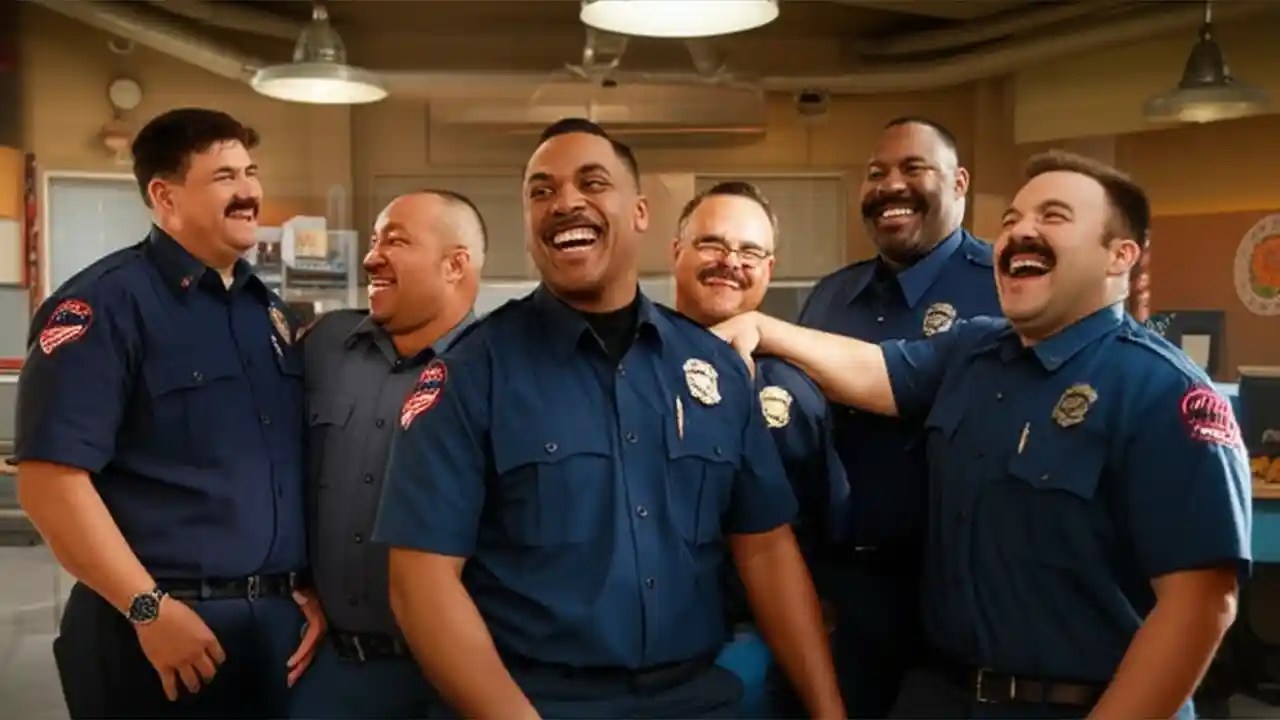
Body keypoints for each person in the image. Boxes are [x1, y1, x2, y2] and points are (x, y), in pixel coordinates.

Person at [712, 149, 1251, 719]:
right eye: (1012, 220)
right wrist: (759, 325)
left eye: (1054, 217)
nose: (1020, 233)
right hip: (941, 694)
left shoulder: (1162, 391)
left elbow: (1201, 604)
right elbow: (873, 371)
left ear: (1120, 256)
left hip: (1078, 704)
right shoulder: (974, 351)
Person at [371, 118, 844, 720]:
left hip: (696, 697)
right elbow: (421, 585)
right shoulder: (469, 374)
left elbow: (767, 553)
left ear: (641, 212)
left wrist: (829, 712)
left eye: (592, 183)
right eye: (541, 191)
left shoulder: (715, 373)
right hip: (536, 702)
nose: (565, 202)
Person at [14, 107, 324, 719]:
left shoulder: (269, 313)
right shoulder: (103, 306)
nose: (249, 192)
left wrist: (302, 587)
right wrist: (149, 609)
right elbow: (49, 483)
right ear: (165, 194)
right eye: (225, 177)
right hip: (152, 630)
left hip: (274, 635)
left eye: (252, 172)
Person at [794, 116, 1001, 716]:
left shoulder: (1000, 287)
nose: (891, 186)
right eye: (876, 173)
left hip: (960, 606)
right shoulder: (831, 296)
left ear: (959, 183)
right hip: (843, 597)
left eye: (914, 169)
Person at [289, 190, 485, 718]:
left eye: (395, 241)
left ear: (455, 264)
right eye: (375, 241)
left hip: (459, 680)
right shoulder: (325, 347)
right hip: (333, 670)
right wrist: (290, 582)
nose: (373, 256)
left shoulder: (503, 369)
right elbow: (268, 465)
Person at [670, 180, 849, 718]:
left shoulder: (794, 393)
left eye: (750, 252)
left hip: (751, 649)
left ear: (769, 269)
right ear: (675, 251)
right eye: (712, 244)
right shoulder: (623, 368)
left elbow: (827, 529)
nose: (730, 262)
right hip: (631, 655)